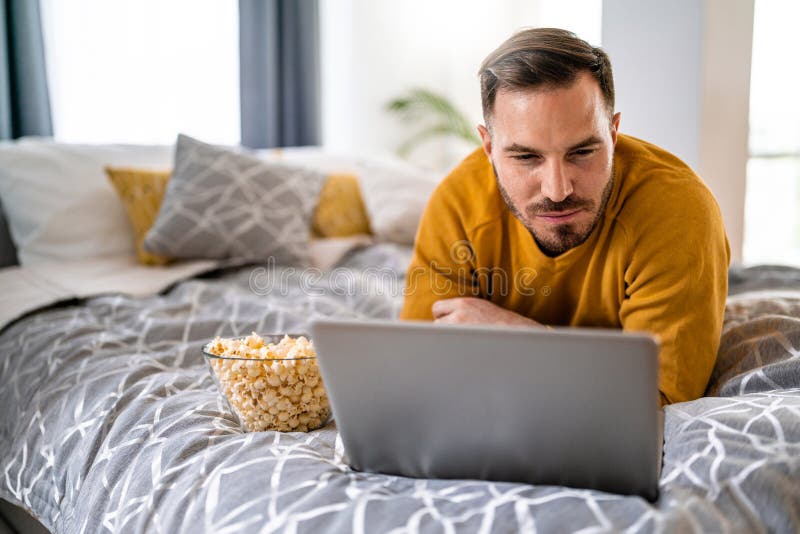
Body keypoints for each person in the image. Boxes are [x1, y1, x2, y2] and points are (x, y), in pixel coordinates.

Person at [400, 28, 730, 406]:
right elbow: (422, 373)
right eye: (526, 158)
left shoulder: (679, 211)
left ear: (614, 133)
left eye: (583, 152)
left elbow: (655, 402)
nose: (558, 190)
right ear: (488, 147)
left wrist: (526, 342)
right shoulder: (458, 202)